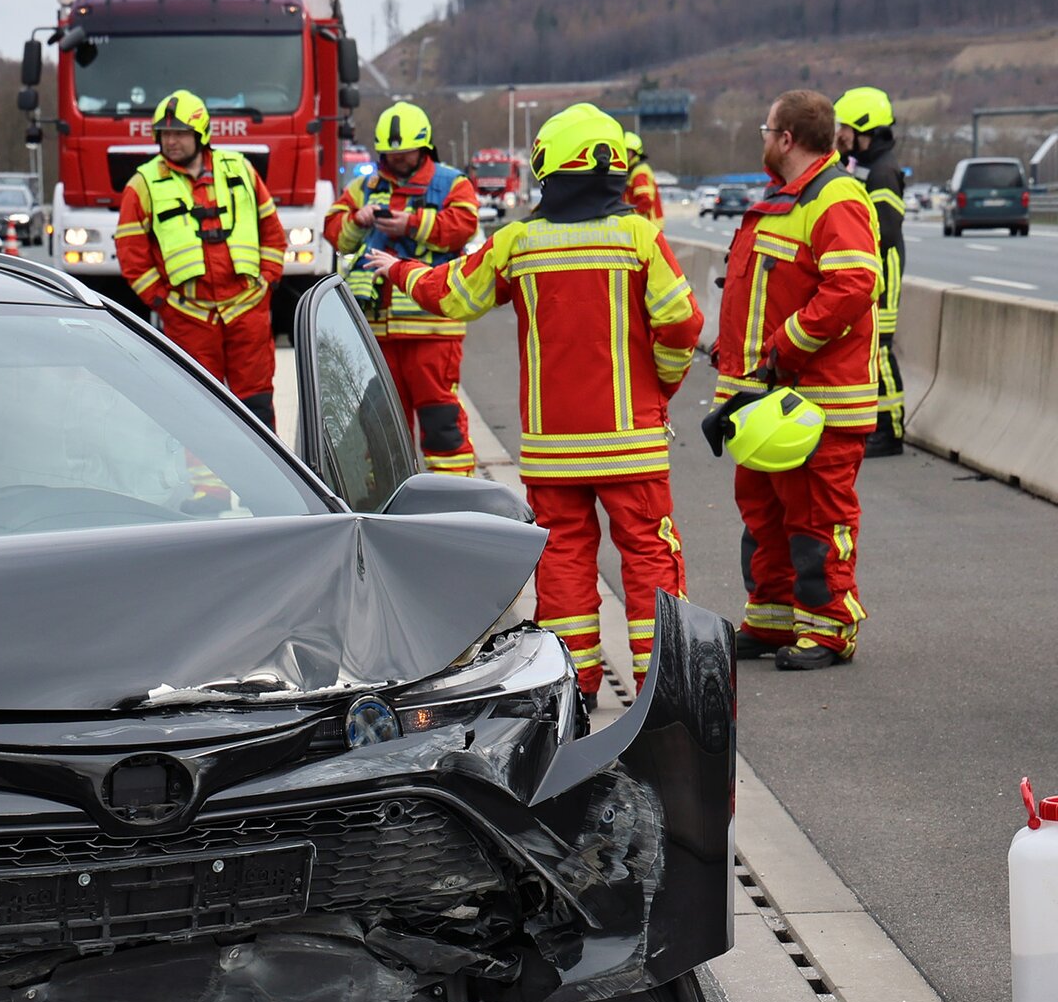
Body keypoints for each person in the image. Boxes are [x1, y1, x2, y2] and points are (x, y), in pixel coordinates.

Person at [356, 104, 703, 707]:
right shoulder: (638, 237)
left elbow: (455, 294)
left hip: (553, 449)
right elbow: (681, 323)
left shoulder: (520, 242)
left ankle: (575, 684)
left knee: (565, 561)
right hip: (631, 442)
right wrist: (661, 389)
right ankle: (662, 690)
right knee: (649, 556)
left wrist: (401, 269)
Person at [715, 89, 882, 670]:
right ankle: (772, 615)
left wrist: (785, 344)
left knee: (819, 516)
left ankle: (831, 627)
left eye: (766, 130)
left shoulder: (834, 198)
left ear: (785, 138)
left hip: (821, 401)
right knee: (764, 511)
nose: (763, 139)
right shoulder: (788, 199)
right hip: (773, 400)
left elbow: (853, 285)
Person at [324, 101, 481, 474]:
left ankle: (456, 501)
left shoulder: (451, 183)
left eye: (405, 153)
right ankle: (394, 504)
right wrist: (359, 220)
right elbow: (335, 232)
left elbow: (463, 225)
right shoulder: (364, 187)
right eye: (391, 154)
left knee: (441, 423)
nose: (397, 160)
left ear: (423, 147)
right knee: (380, 429)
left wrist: (410, 223)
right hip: (377, 331)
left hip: (431, 328)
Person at [116, 89, 288, 426]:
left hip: (247, 309)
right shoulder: (143, 184)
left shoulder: (240, 169)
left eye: (180, 134)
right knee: (198, 412)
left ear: (201, 134)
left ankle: (262, 479)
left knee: (258, 407)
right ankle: (203, 482)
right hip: (189, 315)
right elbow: (132, 254)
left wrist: (267, 281)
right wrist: (163, 303)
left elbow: (271, 230)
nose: (171, 142)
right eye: (165, 135)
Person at [835, 86, 906, 457]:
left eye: (845, 127)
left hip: (885, 270)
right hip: (876, 268)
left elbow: (887, 231)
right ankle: (880, 427)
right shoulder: (865, 164)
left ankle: (892, 431)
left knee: (880, 350)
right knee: (873, 349)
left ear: (864, 127)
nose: (840, 134)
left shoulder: (882, 171)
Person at [624, 130, 666, 229]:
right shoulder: (632, 171)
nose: (623, 155)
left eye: (627, 152)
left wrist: (627, 217)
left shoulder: (639, 173)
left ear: (634, 153)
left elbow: (645, 202)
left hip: (648, 227)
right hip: (646, 226)